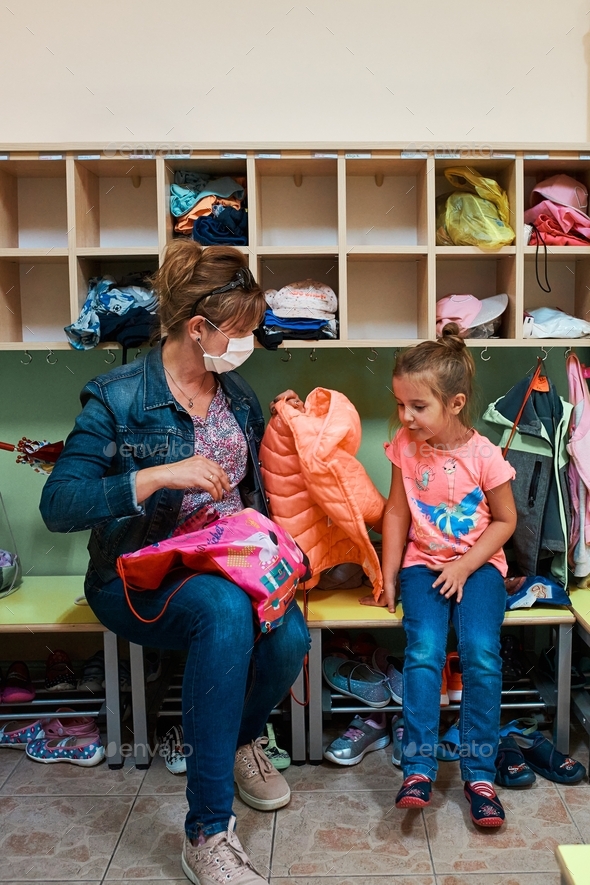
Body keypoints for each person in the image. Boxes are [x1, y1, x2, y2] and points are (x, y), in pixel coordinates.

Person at [40, 239, 310, 885]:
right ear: (199, 327)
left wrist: (282, 548)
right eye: (241, 330)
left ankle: (239, 739)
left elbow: (250, 495)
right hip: (135, 577)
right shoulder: (117, 397)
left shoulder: (235, 392)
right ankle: (208, 833)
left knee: (290, 634)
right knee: (223, 614)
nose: (249, 341)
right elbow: (61, 503)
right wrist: (159, 474)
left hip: (230, 565)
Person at [363, 324, 517, 828]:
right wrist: (386, 576)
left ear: (454, 403)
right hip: (422, 566)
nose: (405, 418)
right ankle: (419, 767)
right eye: (401, 405)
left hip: (478, 568)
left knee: (480, 653)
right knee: (425, 650)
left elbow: (505, 521)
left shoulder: (485, 456)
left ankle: (479, 773)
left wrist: (466, 565)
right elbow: (395, 514)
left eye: (417, 407)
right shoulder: (405, 450)